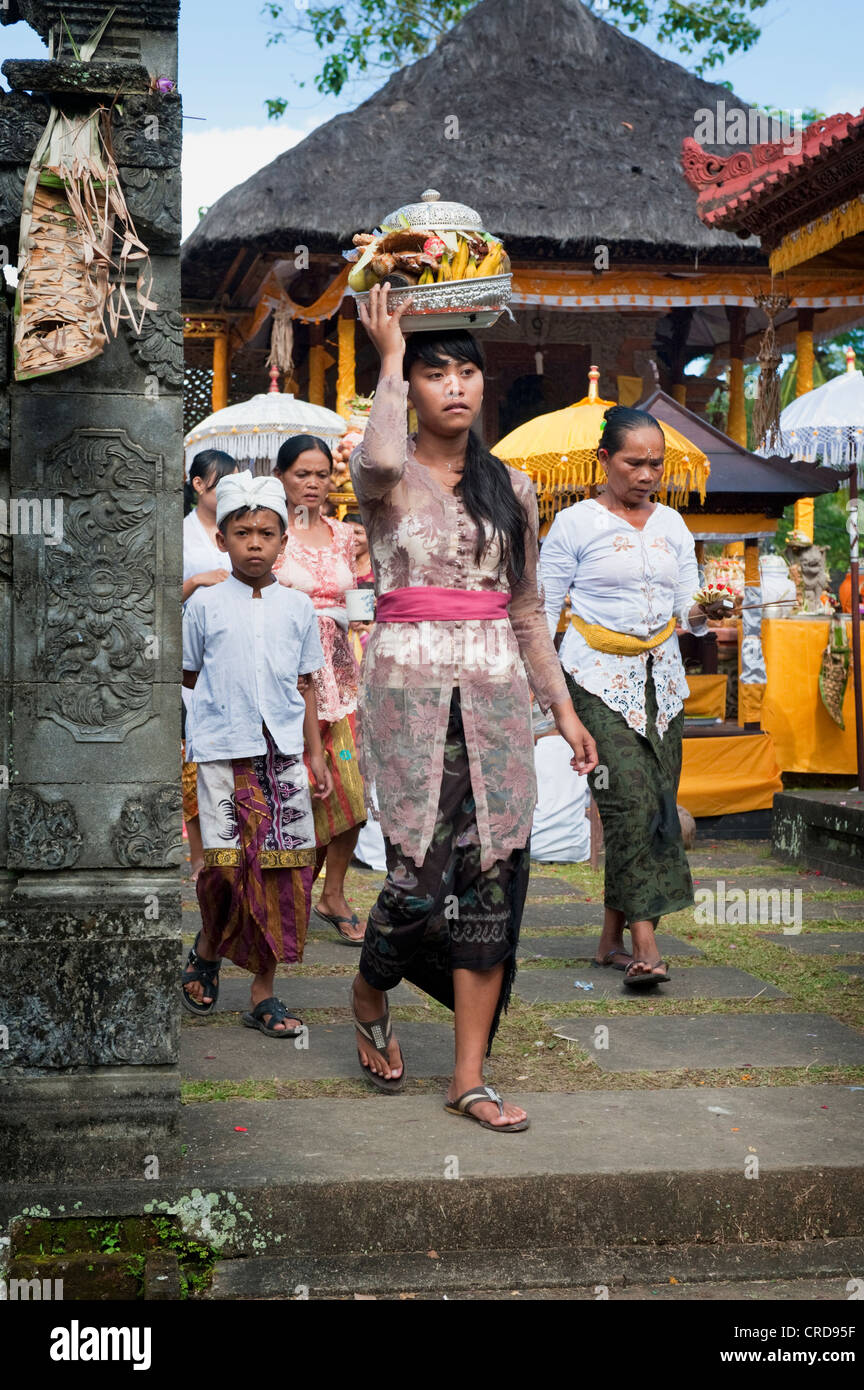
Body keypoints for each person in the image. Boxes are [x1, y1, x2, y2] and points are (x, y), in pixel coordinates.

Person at [348, 283, 597, 1131]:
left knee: (492, 877)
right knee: (414, 883)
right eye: (433, 374)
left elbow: (526, 610)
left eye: (466, 372)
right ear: (411, 389)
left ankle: (467, 1077)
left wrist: (563, 715)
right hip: (407, 696)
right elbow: (378, 461)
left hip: (494, 701)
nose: (454, 386)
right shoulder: (382, 474)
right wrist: (387, 355)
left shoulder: (513, 490)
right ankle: (367, 990)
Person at [540, 404, 710, 988]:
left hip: (662, 680)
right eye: (633, 463)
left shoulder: (673, 527)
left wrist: (705, 611)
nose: (645, 475)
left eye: (656, 465)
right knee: (630, 801)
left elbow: (689, 606)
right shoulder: (573, 526)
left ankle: (609, 938)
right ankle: (646, 943)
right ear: (604, 460)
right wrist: (545, 694)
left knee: (658, 804)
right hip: (592, 679)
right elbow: (539, 612)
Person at [181, 471, 333, 1036]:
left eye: (265, 534)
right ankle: (208, 947)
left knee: (283, 874)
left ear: (282, 542)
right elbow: (190, 674)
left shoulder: (298, 609)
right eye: (242, 533)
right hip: (223, 752)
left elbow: (306, 683)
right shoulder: (202, 606)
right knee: (223, 871)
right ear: (222, 540)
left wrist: (315, 755)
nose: (254, 544)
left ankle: (264, 994)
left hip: (284, 756)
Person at [272, 435, 368, 944]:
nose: (313, 483)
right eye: (302, 474)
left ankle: (334, 892)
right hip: (288, 674)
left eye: (322, 474)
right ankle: (293, 894)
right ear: (282, 476)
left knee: (352, 788)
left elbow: (359, 599)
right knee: (302, 784)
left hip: (343, 671)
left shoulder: (345, 535)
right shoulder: (269, 530)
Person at [182, 449, 239, 877]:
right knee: (195, 752)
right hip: (191, 652)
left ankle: (233, 844)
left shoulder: (237, 529)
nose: (228, 492)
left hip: (234, 648)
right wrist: (196, 581)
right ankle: (199, 853)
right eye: (221, 484)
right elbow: (153, 595)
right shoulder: (179, 533)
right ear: (198, 484)